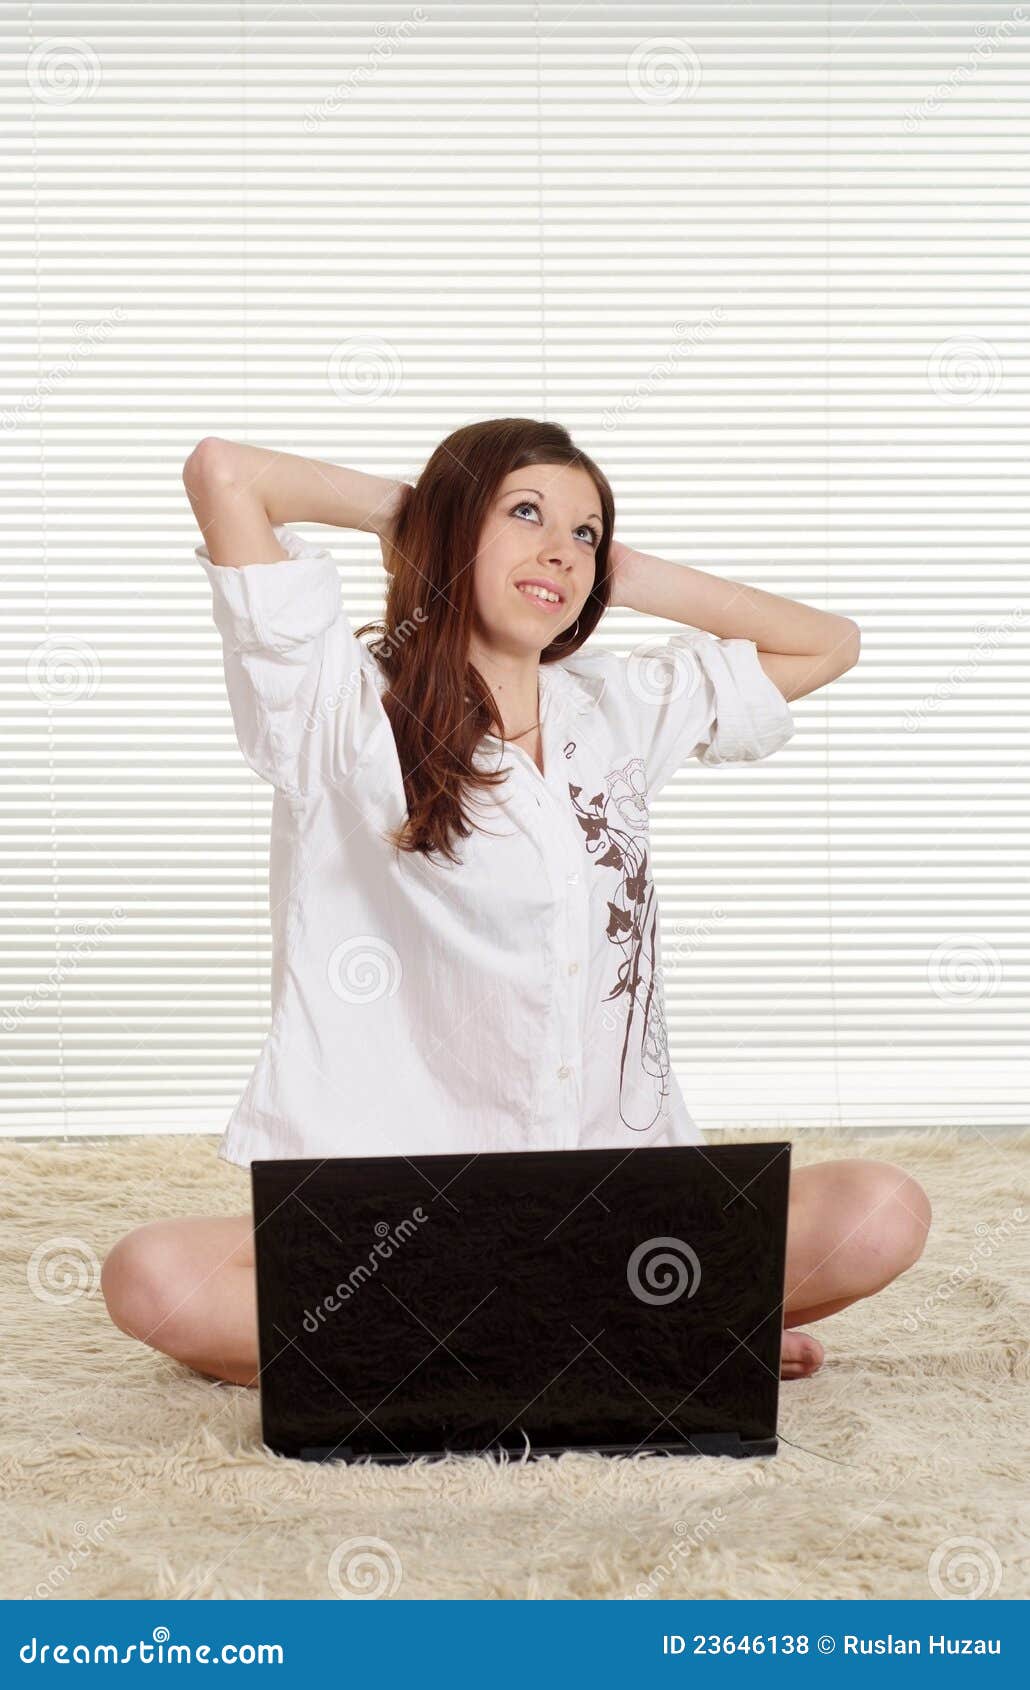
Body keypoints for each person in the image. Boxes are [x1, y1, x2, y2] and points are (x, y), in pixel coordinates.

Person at [101, 417, 931, 1391]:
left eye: (583, 532)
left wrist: (618, 570)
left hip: (620, 1214)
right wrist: (418, 515)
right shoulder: (339, 711)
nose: (559, 549)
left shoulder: (618, 708)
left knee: (880, 1210)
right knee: (151, 1278)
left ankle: (489, 1342)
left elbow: (829, 642)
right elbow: (225, 472)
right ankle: (613, 1335)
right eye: (525, 513)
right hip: (402, 1231)